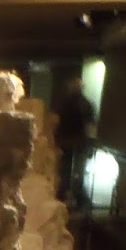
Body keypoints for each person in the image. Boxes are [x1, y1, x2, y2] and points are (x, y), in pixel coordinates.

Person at [55, 77, 96, 210]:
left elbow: (58, 123)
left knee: (66, 170)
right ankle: (79, 197)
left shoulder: (64, 104)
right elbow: (89, 125)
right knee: (79, 170)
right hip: (79, 141)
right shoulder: (86, 104)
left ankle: (62, 194)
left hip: (66, 141)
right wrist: (90, 142)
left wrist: (58, 139)